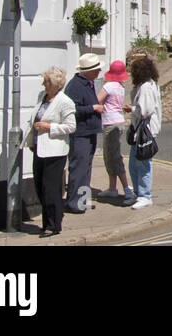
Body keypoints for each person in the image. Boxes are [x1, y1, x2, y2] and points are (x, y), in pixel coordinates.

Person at [30, 67, 76, 237]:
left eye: (46, 81)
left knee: (51, 189)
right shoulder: (42, 97)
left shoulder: (65, 102)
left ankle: (53, 225)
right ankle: (47, 222)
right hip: (39, 149)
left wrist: (49, 127)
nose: (43, 83)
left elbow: (71, 126)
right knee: (40, 187)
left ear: (56, 84)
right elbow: (35, 119)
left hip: (55, 151)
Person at [64, 53, 104, 214]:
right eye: (95, 69)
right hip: (80, 133)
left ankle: (82, 201)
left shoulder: (88, 83)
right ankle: (74, 202)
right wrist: (93, 108)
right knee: (78, 168)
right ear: (86, 70)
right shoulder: (75, 86)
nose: (99, 71)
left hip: (89, 132)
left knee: (86, 169)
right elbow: (71, 110)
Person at [126, 56, 162, 209]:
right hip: (140, 130)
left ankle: (145, 195)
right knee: (134, 164)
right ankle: (138, 193)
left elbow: (145, 110)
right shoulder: (145, 85)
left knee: (143, 163)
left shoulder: (146, 87)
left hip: (145, 130)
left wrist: (131, 109)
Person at [98, 60, 133, 201]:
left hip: (109, 123)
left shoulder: (108, 86)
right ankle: (112, 187)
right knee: (110, 155)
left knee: (113, 156)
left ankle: (126, 187)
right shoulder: (120, 87)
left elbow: (97, 99)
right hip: (118, 121)